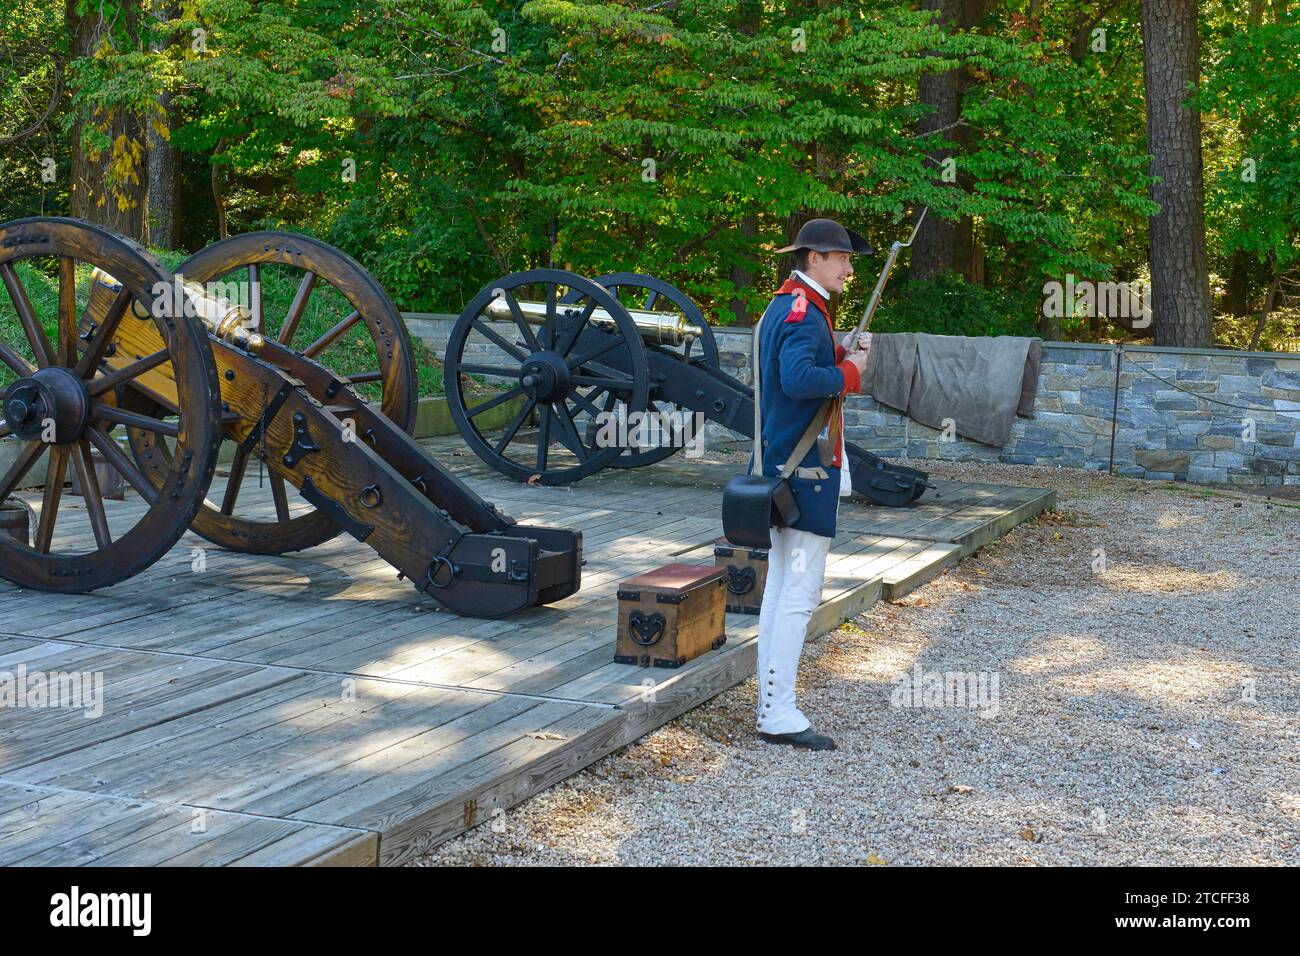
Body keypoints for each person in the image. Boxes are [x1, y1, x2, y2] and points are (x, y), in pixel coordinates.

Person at [752, 218, 873, 752]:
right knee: (795, 596)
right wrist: (851, 372)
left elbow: (797, 373)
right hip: (802, 472)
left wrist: (840, 354)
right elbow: (797, 381)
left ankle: (771, 705)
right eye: (843, 258)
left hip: (783, 466)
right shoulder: (805, 314)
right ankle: (777, 713)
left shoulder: (791, 305)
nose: (849, 268)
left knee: (780, 591)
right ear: (816, 258)